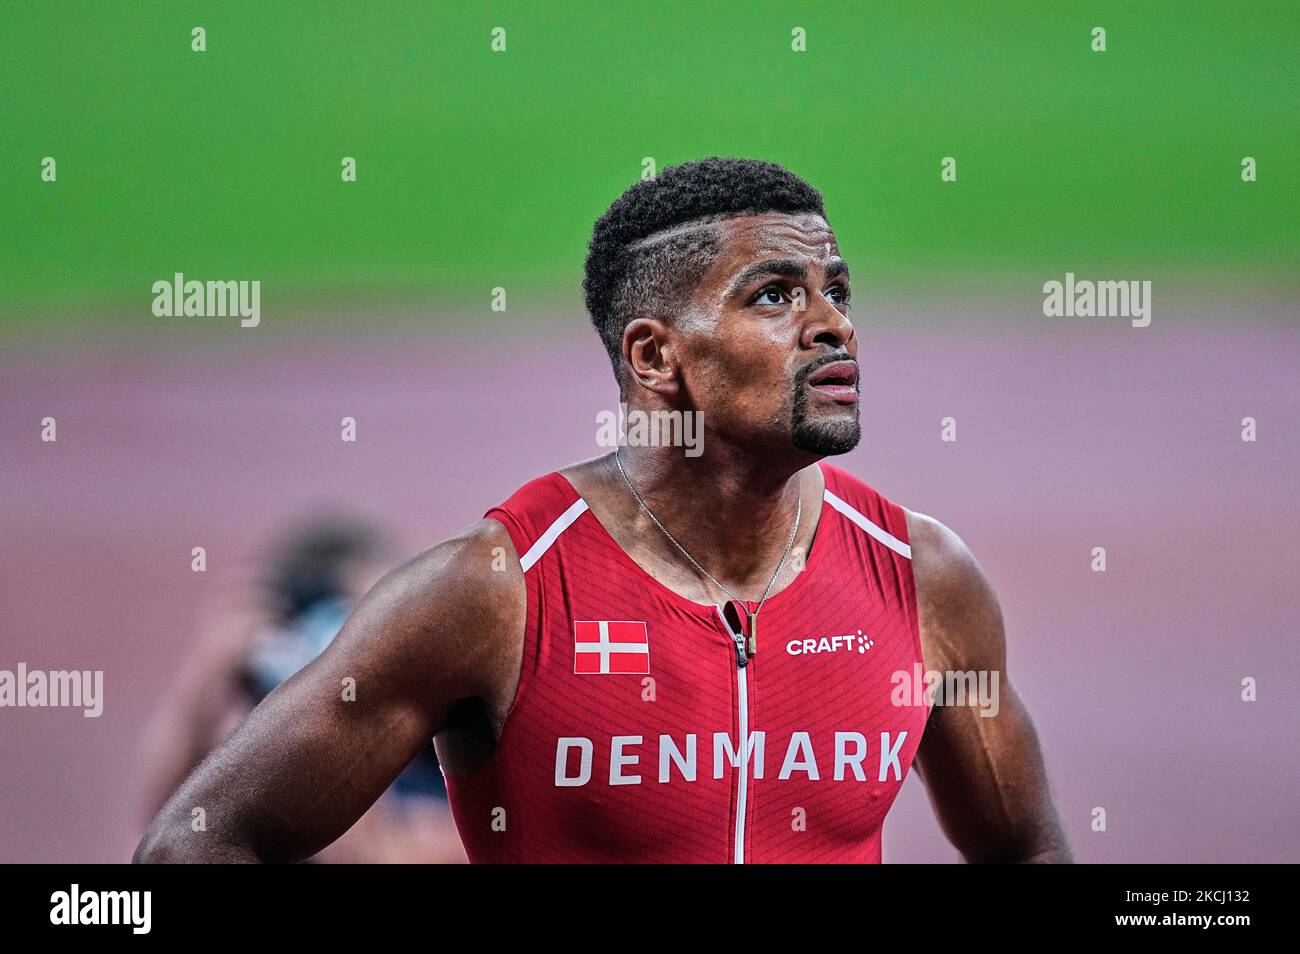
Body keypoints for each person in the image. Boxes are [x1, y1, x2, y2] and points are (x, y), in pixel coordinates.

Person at [137, 157, 1070, 863]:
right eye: (778, 295)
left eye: (839, 291)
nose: (833, 325)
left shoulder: (922, 579)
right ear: (656, 358)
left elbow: (1024, 849)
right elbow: (197, 842)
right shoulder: (494, 595)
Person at [135, 515, 465, 863]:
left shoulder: (446, 759)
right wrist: (208, 677)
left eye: (357, 620)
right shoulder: (273, 747)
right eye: (319, 621)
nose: (334, 641)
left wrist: (337, 697)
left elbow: (365, 858)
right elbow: (165, 829)